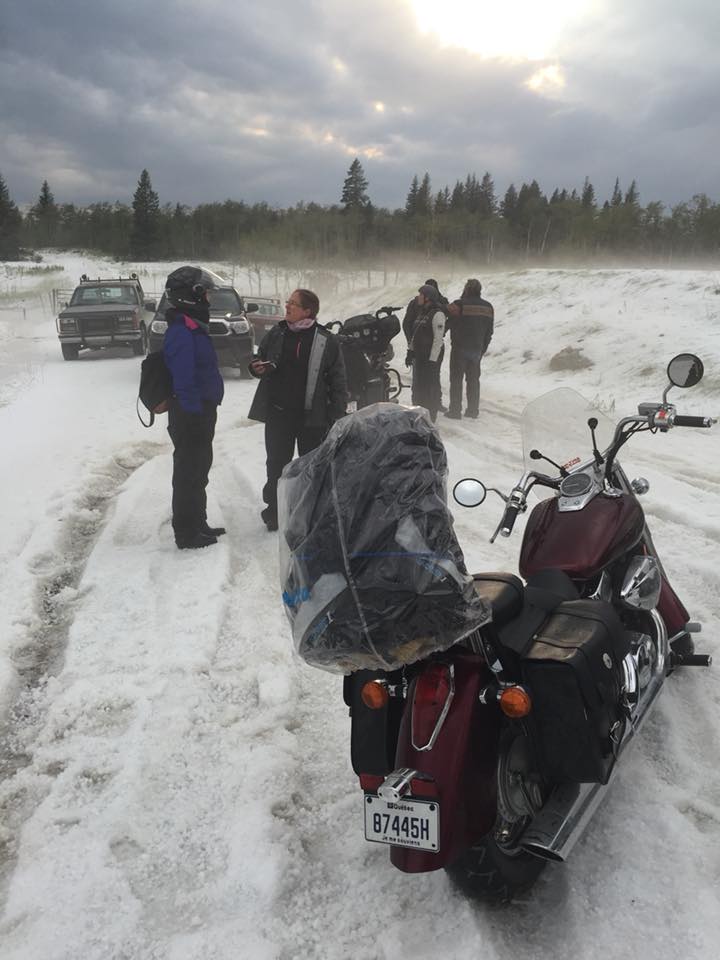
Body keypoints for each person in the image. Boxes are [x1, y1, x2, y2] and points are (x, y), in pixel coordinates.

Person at [248, 288, 348, 532]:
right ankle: (275, 512)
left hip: (311, 418)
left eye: (293, 303)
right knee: (277, 465)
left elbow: (338, 381)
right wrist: (256, 367)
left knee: (311, 468)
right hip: (278, 414)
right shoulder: (277, 332)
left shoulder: (326, 339)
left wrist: (336, 416)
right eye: (288, 302)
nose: (287, 306)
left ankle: (310, 513)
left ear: (308, 310)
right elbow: (258, 358)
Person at [163, 266, 225, 549]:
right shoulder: (181, 330)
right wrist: (193, 412)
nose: (210, 298)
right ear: (194, 295)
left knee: (199, 470)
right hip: (190, 413)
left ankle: (198, 522)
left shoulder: (192, 325)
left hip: (201, 409)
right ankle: (185, 532)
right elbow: (183, 378)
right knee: (187, 472)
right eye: (207, 293)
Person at [445, 278, 494, 420]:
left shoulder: (460, 305)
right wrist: (483, 348)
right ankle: (473, 411)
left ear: (466, 289)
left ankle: (455, 411)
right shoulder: (488, 307)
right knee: (473, 381)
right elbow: (489, 331)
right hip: (477, 349)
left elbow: (446, 315)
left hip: (460, 348)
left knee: (456, 380)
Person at [403, 278, 448, 411]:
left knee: (430, 384)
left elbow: (438, 339)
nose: (418, 297)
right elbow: (412, 329)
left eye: (421, 294)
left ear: (428, 297)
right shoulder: (421, 311)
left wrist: (432, 360)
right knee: (418, 385)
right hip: (419, 353)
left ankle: (432, 410)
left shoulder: (437, 313)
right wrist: (410, 349)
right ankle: (417, 408)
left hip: (430, 356)